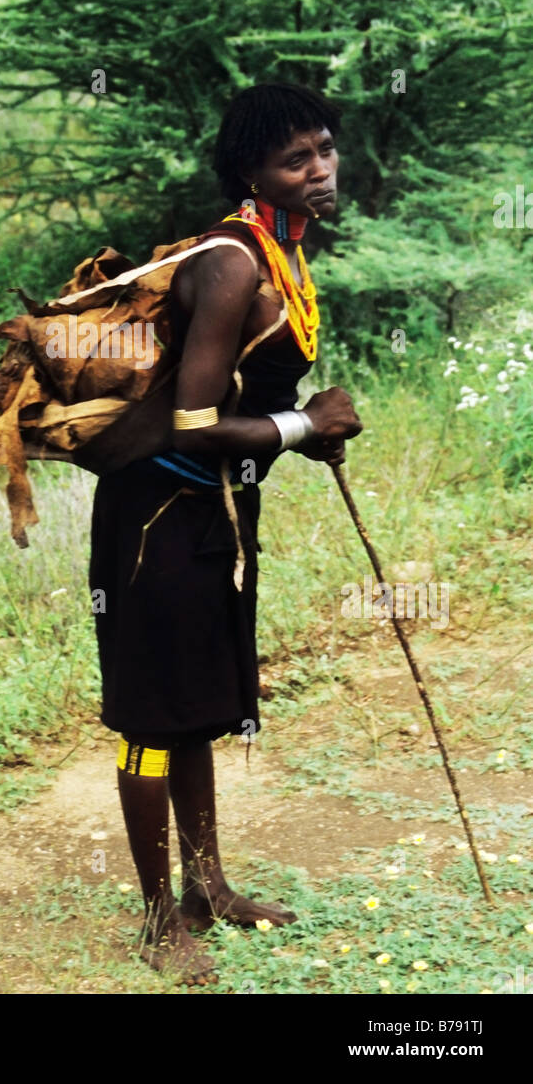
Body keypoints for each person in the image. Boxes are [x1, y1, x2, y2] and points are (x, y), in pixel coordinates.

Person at [88, 82, 363, 984]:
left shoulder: (284, 251)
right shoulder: (235, 262)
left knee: (198, 705)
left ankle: (210, 890)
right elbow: (192, 424)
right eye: (296, 159)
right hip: (156, 519)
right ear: (252, 172)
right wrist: (301, 430)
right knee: (149, 717)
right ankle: (160, 921)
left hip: (218, 514)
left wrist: (301, 432)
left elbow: (252, 399)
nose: (318, 169)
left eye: (323, 149)